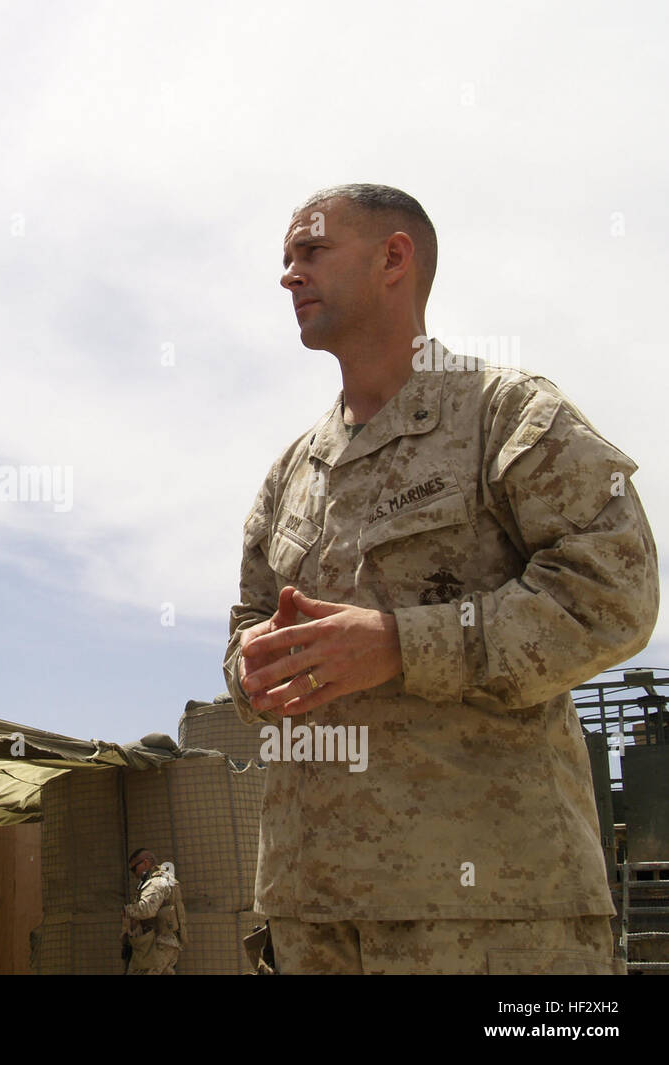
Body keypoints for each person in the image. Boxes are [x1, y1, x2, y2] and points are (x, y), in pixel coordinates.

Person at [225, 183, 658, 975]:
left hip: (490, 918)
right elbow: (245, 623)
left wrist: (401, 645)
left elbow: (613, 594)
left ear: (395, 257)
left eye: (312, 251)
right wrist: (253, 662)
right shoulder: (292, 472)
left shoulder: (509, 417)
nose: (290, 275)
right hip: (310, 915)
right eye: (285, 260)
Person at [121, 849, 184, 975]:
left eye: (134, 869)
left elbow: (147, 909)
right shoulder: (166, 880)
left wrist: (127, 910)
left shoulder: (155, 882)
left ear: (145, 863)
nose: (134, 873)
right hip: (167, 945)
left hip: (156, 946)